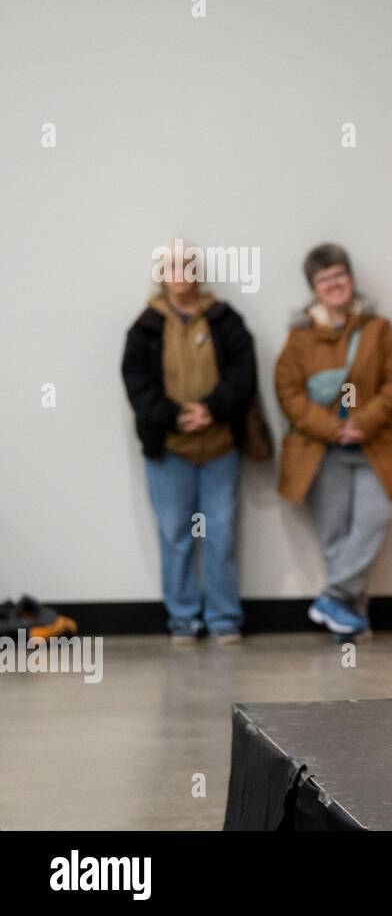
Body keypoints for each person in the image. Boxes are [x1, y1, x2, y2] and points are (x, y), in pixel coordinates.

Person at [122, 240, 257, 646]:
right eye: (171, 266)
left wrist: (212, 409)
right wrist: (175, 416)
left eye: (186, 265)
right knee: (176, 535)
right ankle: (182, 620)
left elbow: (244, 372)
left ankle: (224, 619)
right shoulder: (145, 325)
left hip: (220, 446)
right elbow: (137, 385)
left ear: (198, 272)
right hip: (169, 449)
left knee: (220, 533)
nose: (180, 273)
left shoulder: (224, 319)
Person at [274, 243, 392, 640]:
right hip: (322, 450)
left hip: (375, 445)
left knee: (371, 523)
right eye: (324, 279)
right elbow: (288, 393)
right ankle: (350, 619)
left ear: (350, 279)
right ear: (313, 288)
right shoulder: (299, 337)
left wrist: (363, 423)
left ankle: (332, 598)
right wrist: (332, 427)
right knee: (335, 535)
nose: (333, 284)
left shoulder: (378, 329)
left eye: (339, 276)